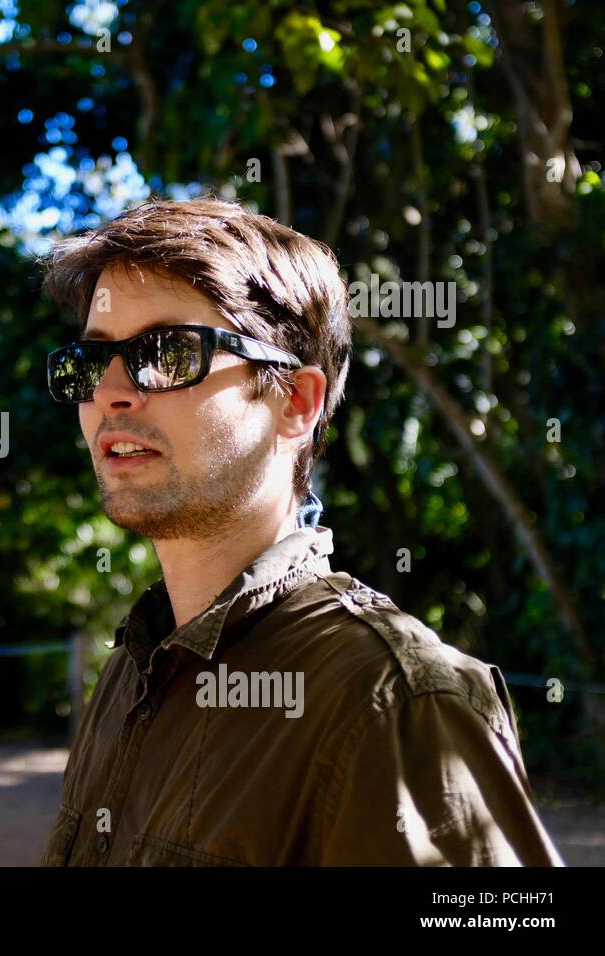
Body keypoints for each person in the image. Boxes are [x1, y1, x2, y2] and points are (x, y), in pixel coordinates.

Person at [37, 196, 563, 866]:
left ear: (296, 402)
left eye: (168, 353)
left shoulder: (393, 702)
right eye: (93, 359)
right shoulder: (132, 670)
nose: (110, 391)